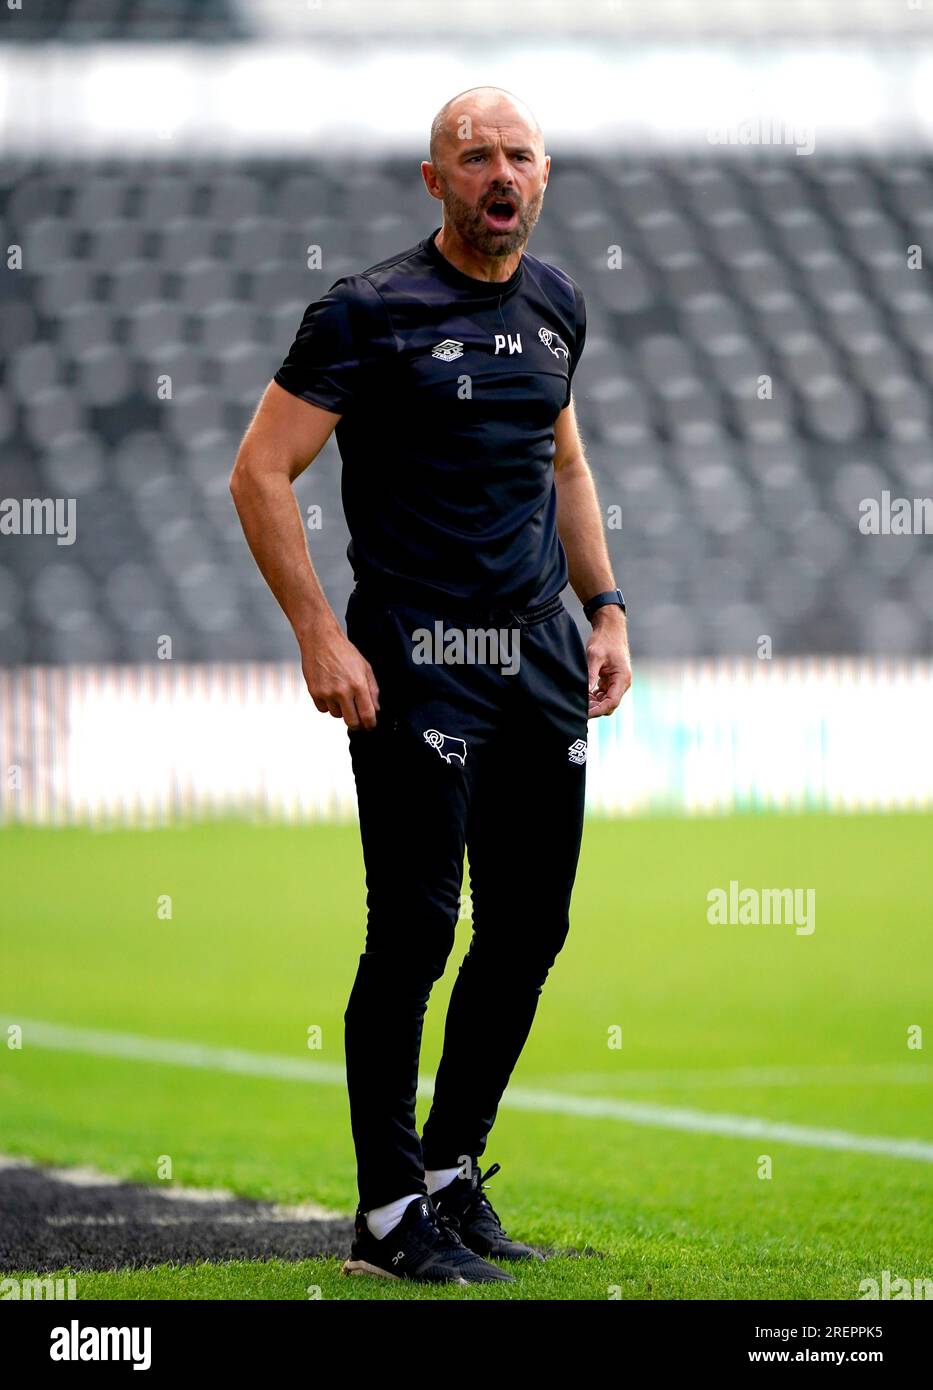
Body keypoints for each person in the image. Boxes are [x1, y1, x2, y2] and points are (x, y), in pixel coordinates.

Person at [230, 86, 631, 1286]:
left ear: (544, 175)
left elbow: (561, 456)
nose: (498, 172)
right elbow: (259, 473)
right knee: (415, 930)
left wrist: (605, 607)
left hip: (541, 653)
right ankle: (387, 1214)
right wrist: (318, 634)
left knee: (530, 927)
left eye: (517, 155)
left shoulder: (558, 303)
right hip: (418, 655)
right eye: (474, 156)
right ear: (434, 179)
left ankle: (453, 1175)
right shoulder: (367, 312)